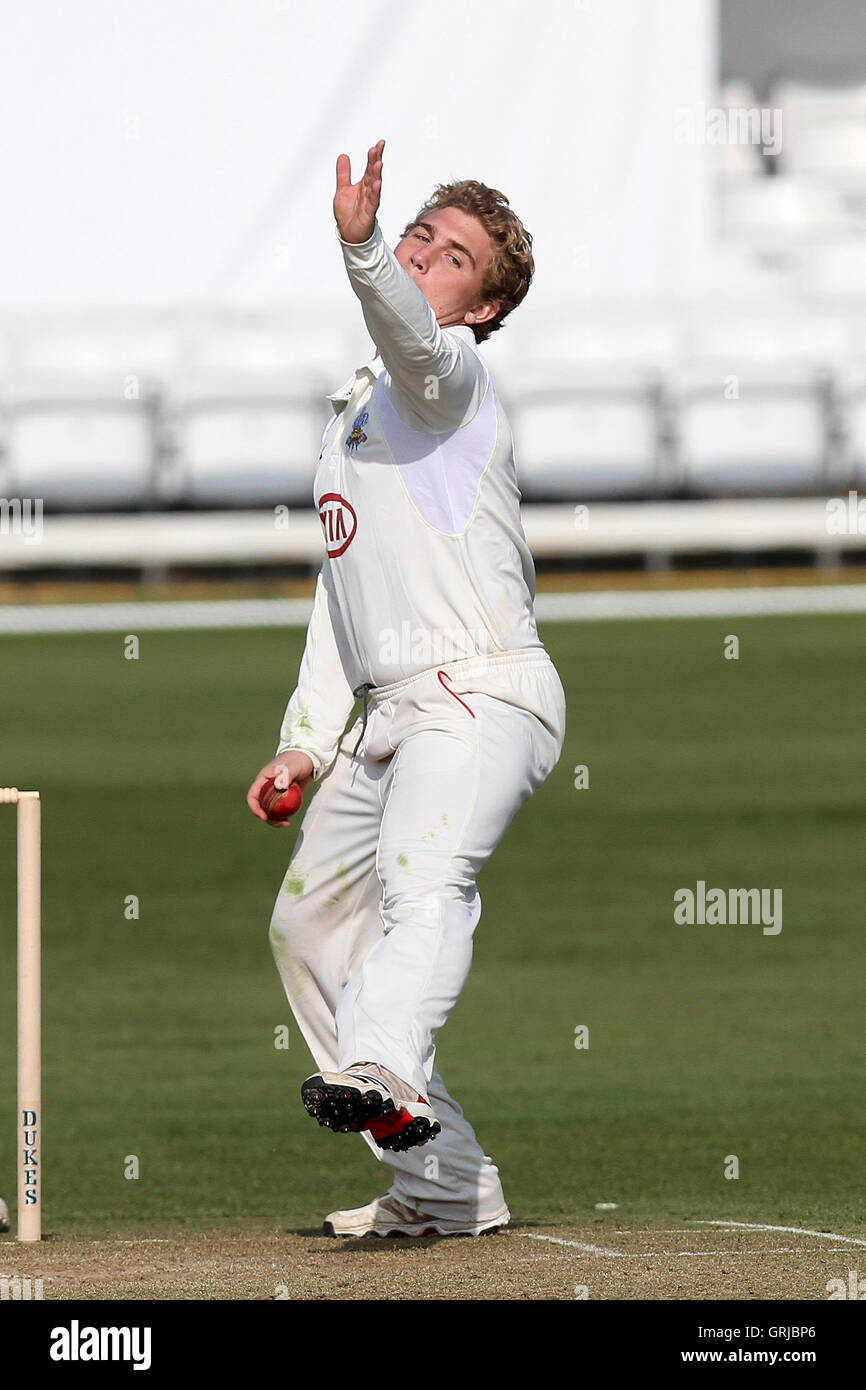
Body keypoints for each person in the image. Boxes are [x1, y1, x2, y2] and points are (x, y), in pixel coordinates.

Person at [246, 139, 566, 1238]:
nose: (426, 255)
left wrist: (363, 243)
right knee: (309, 929)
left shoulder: (450, 384)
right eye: (420, 237)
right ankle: (444, 1183)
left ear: (478, 311)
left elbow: (410, 338)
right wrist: (304, 742)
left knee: (424, 880)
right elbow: (343, 595)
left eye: (450, 257)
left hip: (481, 693)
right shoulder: (353, 421)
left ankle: (383, 1065)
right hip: (386, 708)